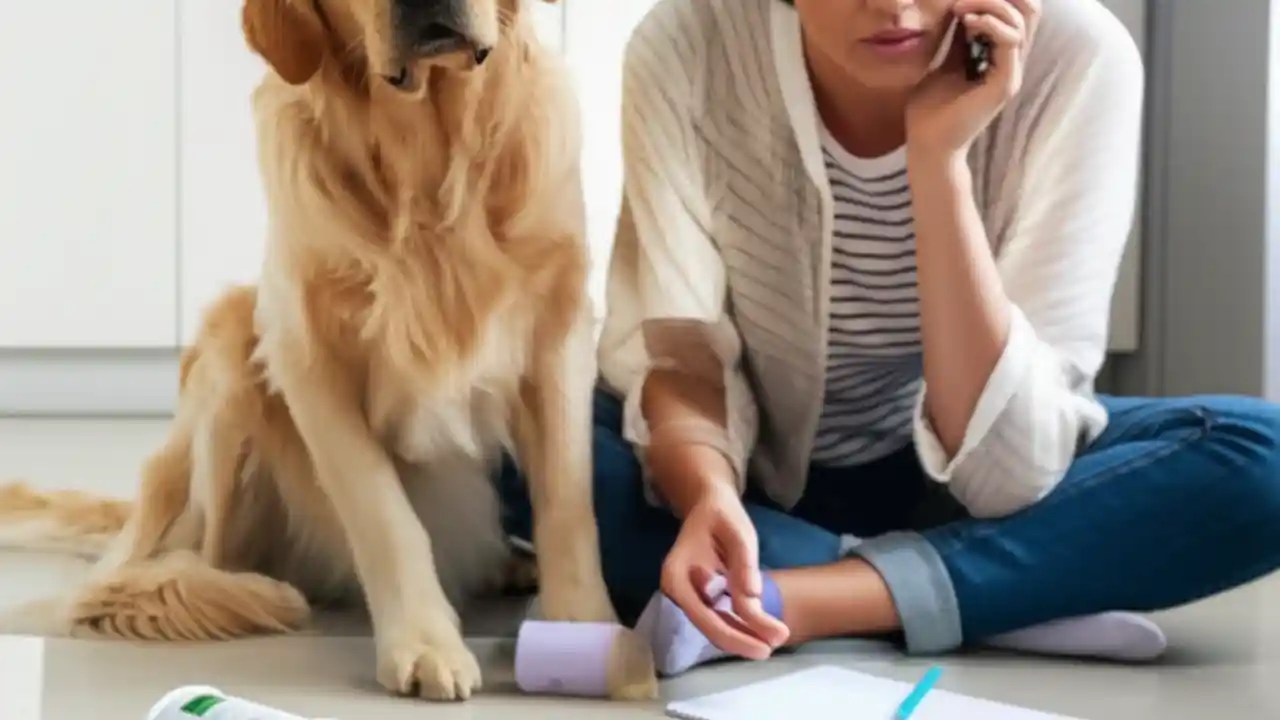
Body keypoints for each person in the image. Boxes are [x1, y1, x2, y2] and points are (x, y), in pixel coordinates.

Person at [501, 0, 1280, 675]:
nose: (895, 6)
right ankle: (999, 592)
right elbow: (681, 357)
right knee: (510, 444)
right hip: (755, 479)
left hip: (968, 488)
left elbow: (1010, 476)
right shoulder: (689, 42)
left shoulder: (1078, 57)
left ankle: (824, 598)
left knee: (1262, 460)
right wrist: (707, 498)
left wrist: (939, 160)